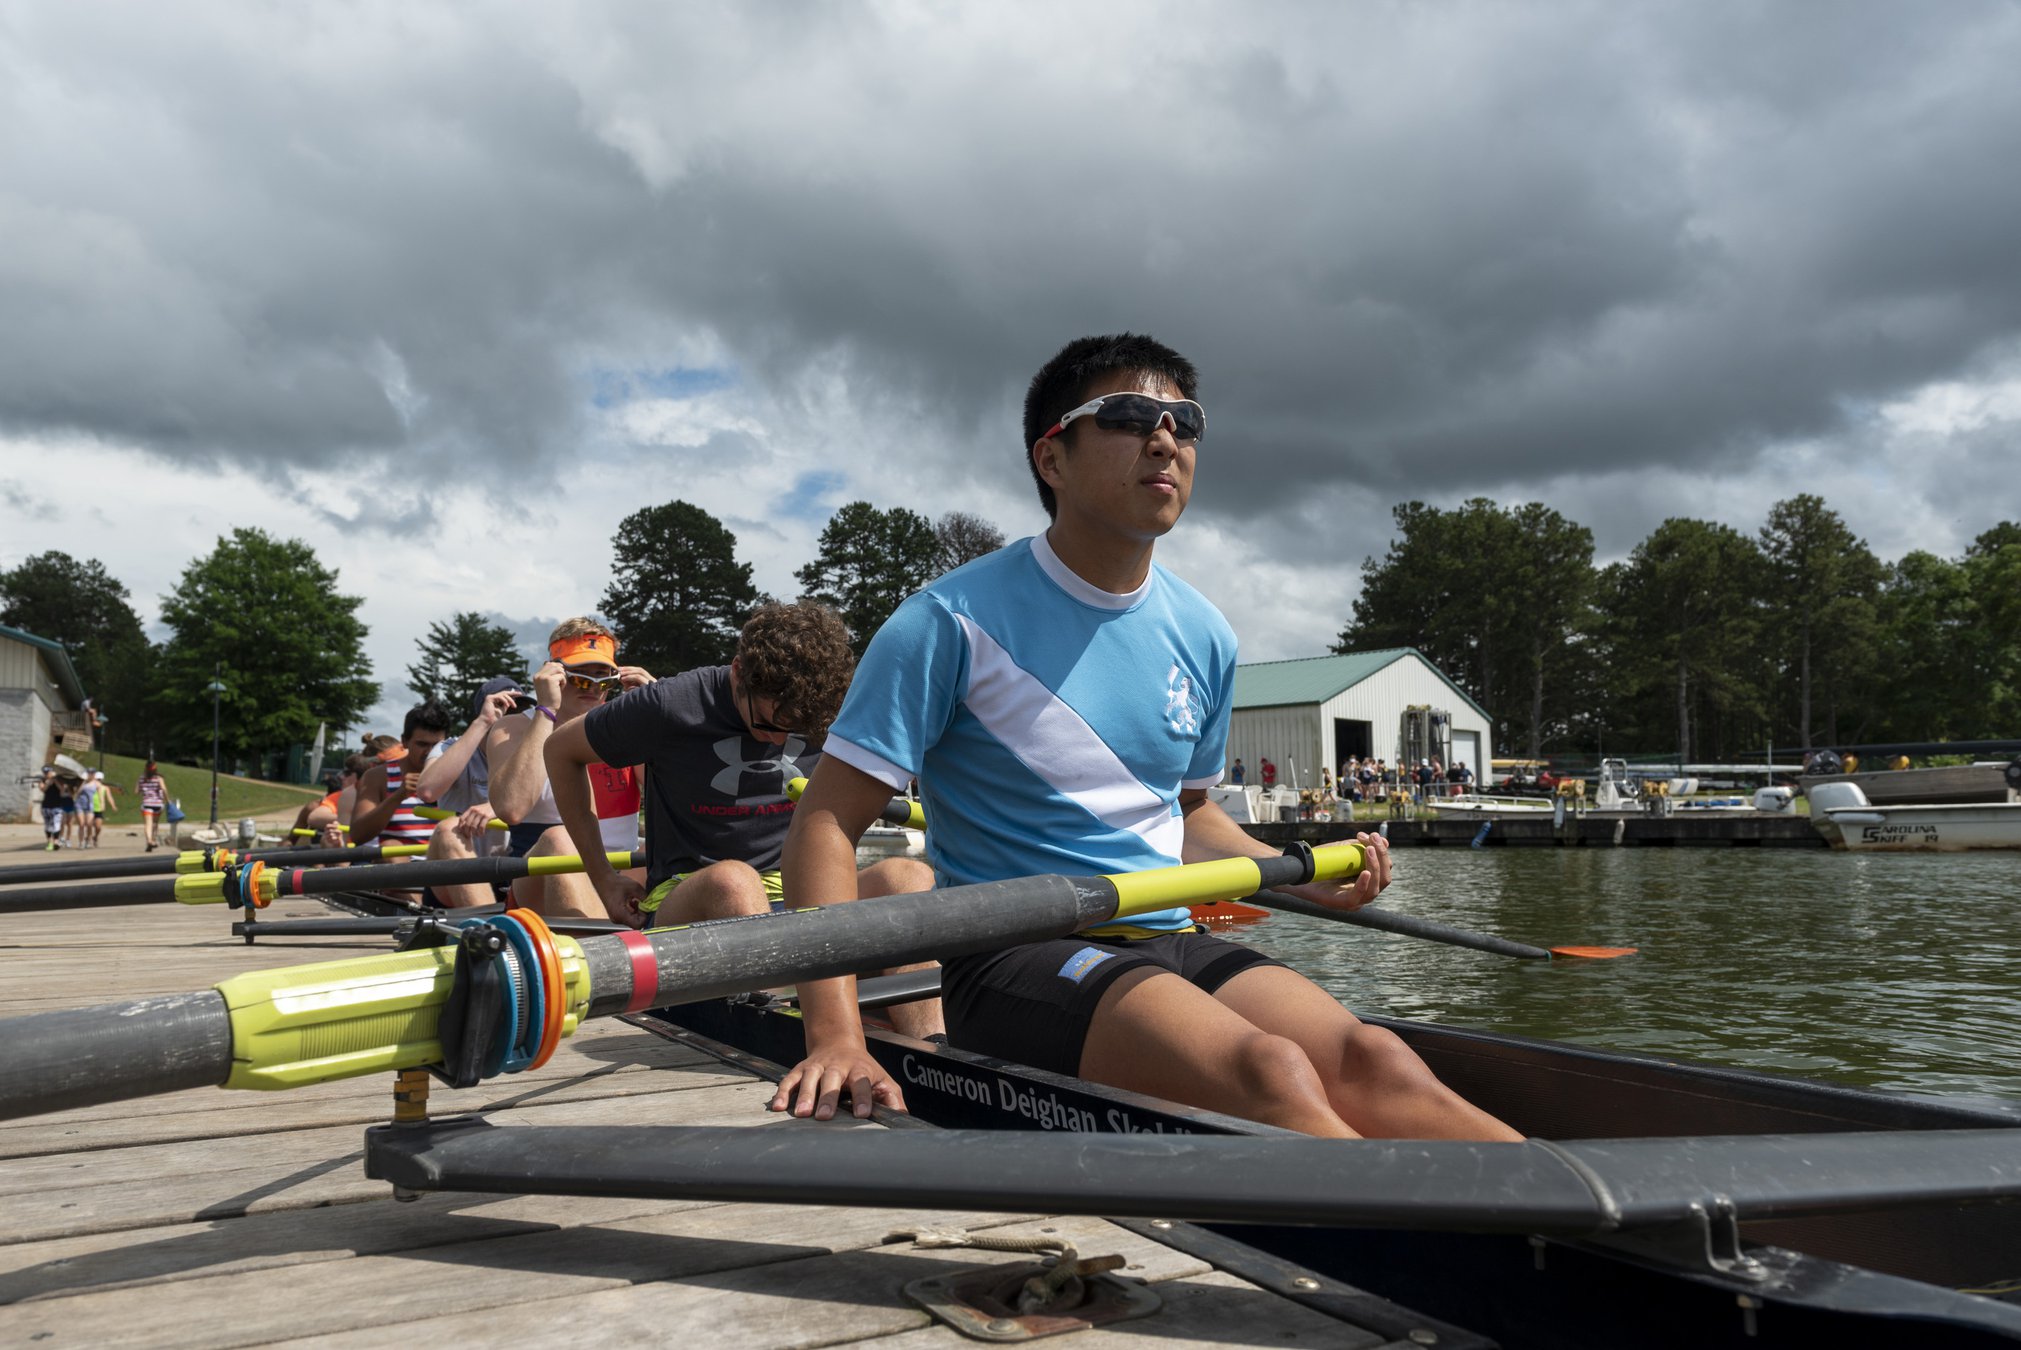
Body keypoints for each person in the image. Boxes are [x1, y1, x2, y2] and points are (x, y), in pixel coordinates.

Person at [775, 332, 1517, 1142]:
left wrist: (1299, 883)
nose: (1166, 438)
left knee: (1380, 1061)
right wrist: (837, 1035)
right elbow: (824, 825)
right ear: (1051, 460)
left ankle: (1587, 1241)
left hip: (1167, 933)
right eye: (1129, 415)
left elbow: (1187, 816)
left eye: (1185, 421)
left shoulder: (1204, 633)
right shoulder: (946, 623)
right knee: (1271, 1071)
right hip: (1017, 956)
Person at [542, 601, 942, 1039]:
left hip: (797, 894)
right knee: (734, 881)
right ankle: (804, 1038)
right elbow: (560, 751)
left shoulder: (834, 703)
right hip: (691, 897)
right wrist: (603, 878)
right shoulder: (672, 703)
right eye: (767, 725)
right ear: (738, 673)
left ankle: (936, 1051)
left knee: (909, 877)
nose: (778, 741)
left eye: (796, 730)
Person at [478, 621, 651, 917]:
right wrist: (546, 711)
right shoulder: (513, 728)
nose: (594, 689)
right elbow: (511, 809)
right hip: (543, 880)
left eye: (603, 679)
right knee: (560, 839)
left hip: (619, 877)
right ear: (552, 674)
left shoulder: (628, 727)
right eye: (581, 679)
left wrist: (661, 714)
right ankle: (608, 956)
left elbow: (681, 798)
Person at [349, 702, 453, 849]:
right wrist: (399, 796)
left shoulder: (459, 774)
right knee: (391, 845)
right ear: (404, 741)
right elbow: (358, 836)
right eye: (422, 744)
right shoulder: (378, 777)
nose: (430, 752)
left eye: (436, 745)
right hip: (399, 867)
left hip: (446, 865)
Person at [136, 762, 169, 851]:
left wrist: (143, 789)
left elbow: (136, 791)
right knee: (155, 823)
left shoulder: (142, 778)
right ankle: (153, 840)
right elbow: (164, 789)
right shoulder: (159, 778)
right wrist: (168, 800)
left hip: (146, 804)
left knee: (148, 824)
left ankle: (149, 841)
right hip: (158, 804)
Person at [38, 768, 65, 851]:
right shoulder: (42, 780)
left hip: (57, 806)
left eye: (48, 772)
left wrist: (55, 781)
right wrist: (48, 783)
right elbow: (43, 789)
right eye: (45, 773)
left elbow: (62, 790)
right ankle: (49, 842)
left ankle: (56, 841)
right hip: (46, 805)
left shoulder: (58, 780)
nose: (46, 774)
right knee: (48, 825)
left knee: (56, 824)